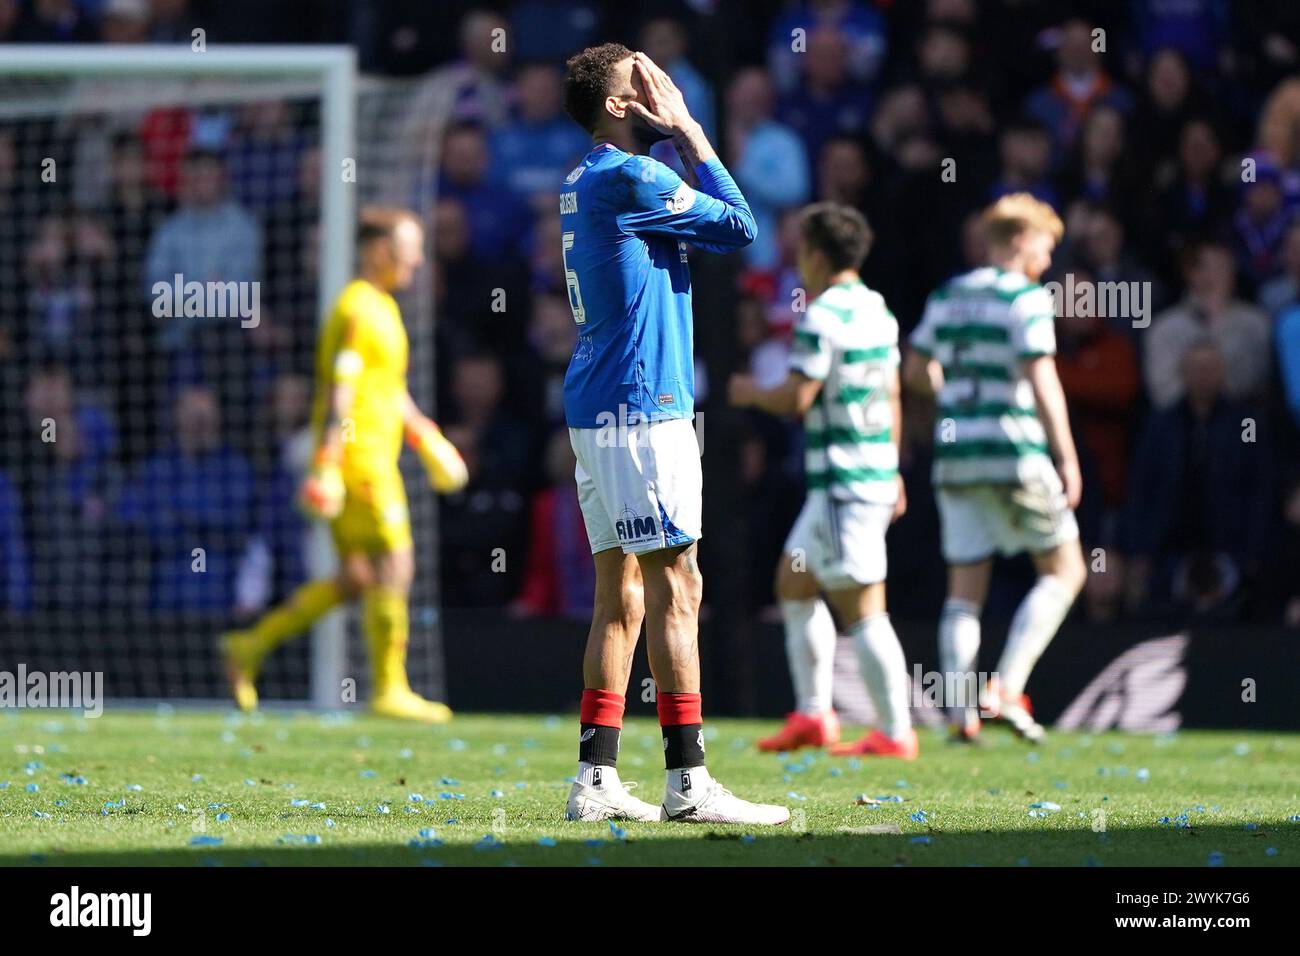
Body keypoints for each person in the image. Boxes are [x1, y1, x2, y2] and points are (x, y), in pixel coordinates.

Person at [558, 43, 786, 825]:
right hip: (641, 408)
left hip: (598, 405)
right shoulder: (632, 174)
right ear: (620, 106)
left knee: (618, 597)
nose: (662, 91)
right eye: (645, 83)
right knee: (676, 585)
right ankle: (688, 781)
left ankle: (595, 781)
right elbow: (740, 226)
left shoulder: (585, 178)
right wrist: (692, 133)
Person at [220, 207, 468, 722]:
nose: (418, 260)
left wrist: (428, 440)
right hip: (360, 465)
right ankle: (389, 689)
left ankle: (249, 646)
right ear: (380, 250)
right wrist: (328, 462)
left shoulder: (383, 307)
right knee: (396, 565)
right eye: (410, 248)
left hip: (372, 458)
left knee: (357, 579)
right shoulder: (356, 309)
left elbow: (389, 390)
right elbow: (341, 390)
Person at [729, 202, 916, 759]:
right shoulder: (877, 310)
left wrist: (745, 392)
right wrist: (896, 467)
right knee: (794, 583)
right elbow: (893, 393)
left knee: (864, 607)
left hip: (841, 481)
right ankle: (814, 715)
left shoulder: (822, 315)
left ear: (814, 255)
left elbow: (796, 399)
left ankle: (896, 731)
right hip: (868, 473)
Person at [904, 193, 1087, 744]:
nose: (1048, 259)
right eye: (1045, 245)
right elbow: (1043, 379)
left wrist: (956, 397)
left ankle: (962, 713)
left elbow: (915, 371)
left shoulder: (948, 295)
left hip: (957, 458)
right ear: (1018, 240)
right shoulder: (1026, 298)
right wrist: (1067, 455)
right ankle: (1006, 688)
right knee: (1065, 569)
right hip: (1014, 451)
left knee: (965, 590)